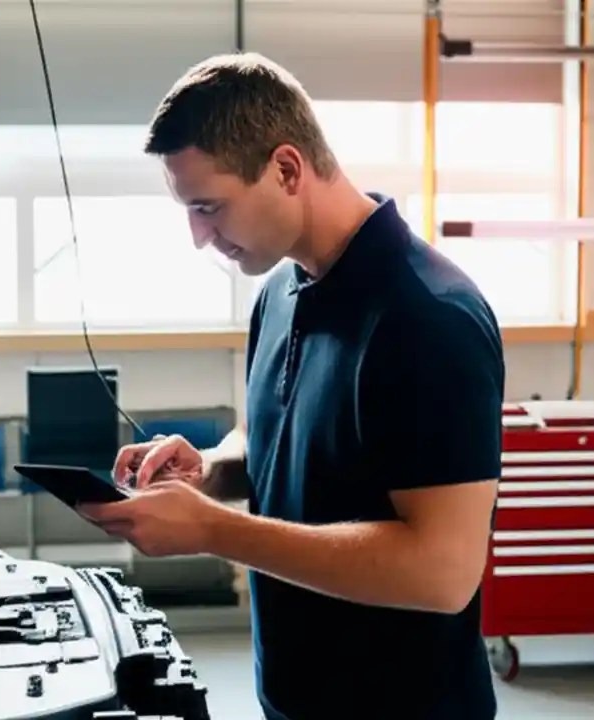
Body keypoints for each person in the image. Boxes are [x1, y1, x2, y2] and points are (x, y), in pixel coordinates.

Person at [76, 53, 505, 720]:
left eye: (209, 208)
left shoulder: (428, 317)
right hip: (294, 699)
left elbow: (442, 571)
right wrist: (209, 472)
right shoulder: (279, 290)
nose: (199, 237)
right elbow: (275, 442)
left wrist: (214, 532)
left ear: (285, 169)